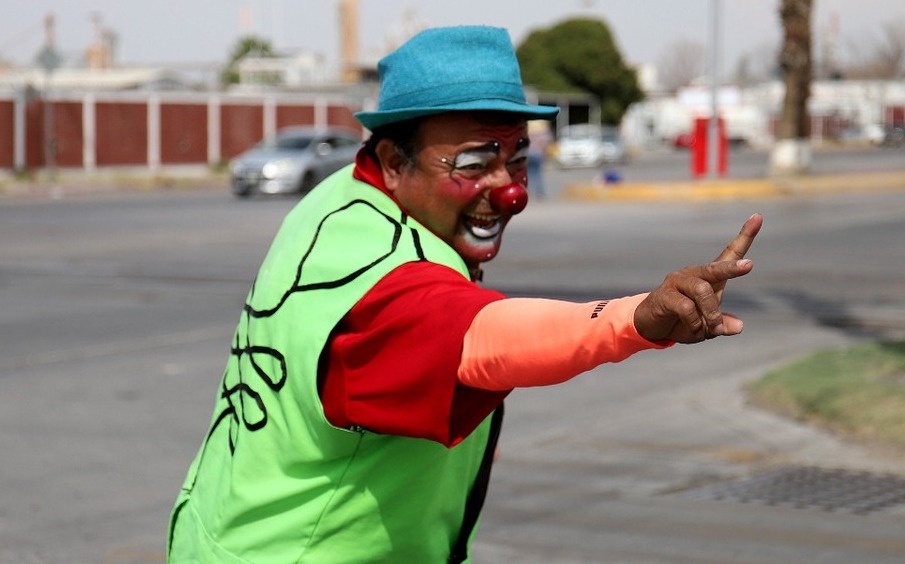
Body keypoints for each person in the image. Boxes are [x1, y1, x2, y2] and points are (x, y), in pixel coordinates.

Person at [167, 25, 762, 563]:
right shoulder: (384, 284)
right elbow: (485, 337)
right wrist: (638, 318)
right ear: (394, 163)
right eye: (474, 163)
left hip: (221, 530)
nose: (507, 191)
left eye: (517, 160)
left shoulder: (340, 200)